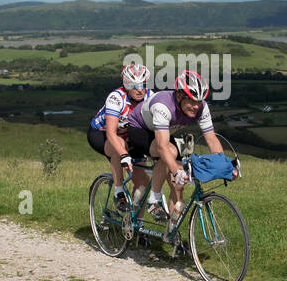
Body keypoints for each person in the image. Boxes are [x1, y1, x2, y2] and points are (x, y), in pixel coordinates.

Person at [126, 69, 236, 239]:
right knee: (169, 152)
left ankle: (171, 233)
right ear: (179, 96)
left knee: (178, 185)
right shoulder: (163, 105)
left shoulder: (201, 108)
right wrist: (176, 171)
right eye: (191, 101)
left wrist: (226, 166)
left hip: (162, 131)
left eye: (199, 101)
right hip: (139, 129)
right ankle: (153, 199)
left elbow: (211, 139)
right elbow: (162, 147)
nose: (196, 106)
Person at [87, 63, 151, 212]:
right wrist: (124, 155)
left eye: (143, 84)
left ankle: (136, 226)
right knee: (119, 147)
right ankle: (119, 192)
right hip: (101, 134)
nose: (140, 89)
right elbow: (111, 133)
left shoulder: (150, 97)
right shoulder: (116, 98)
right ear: (127, 85)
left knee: (142, 182)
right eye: (134, 85)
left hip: (128, 136)